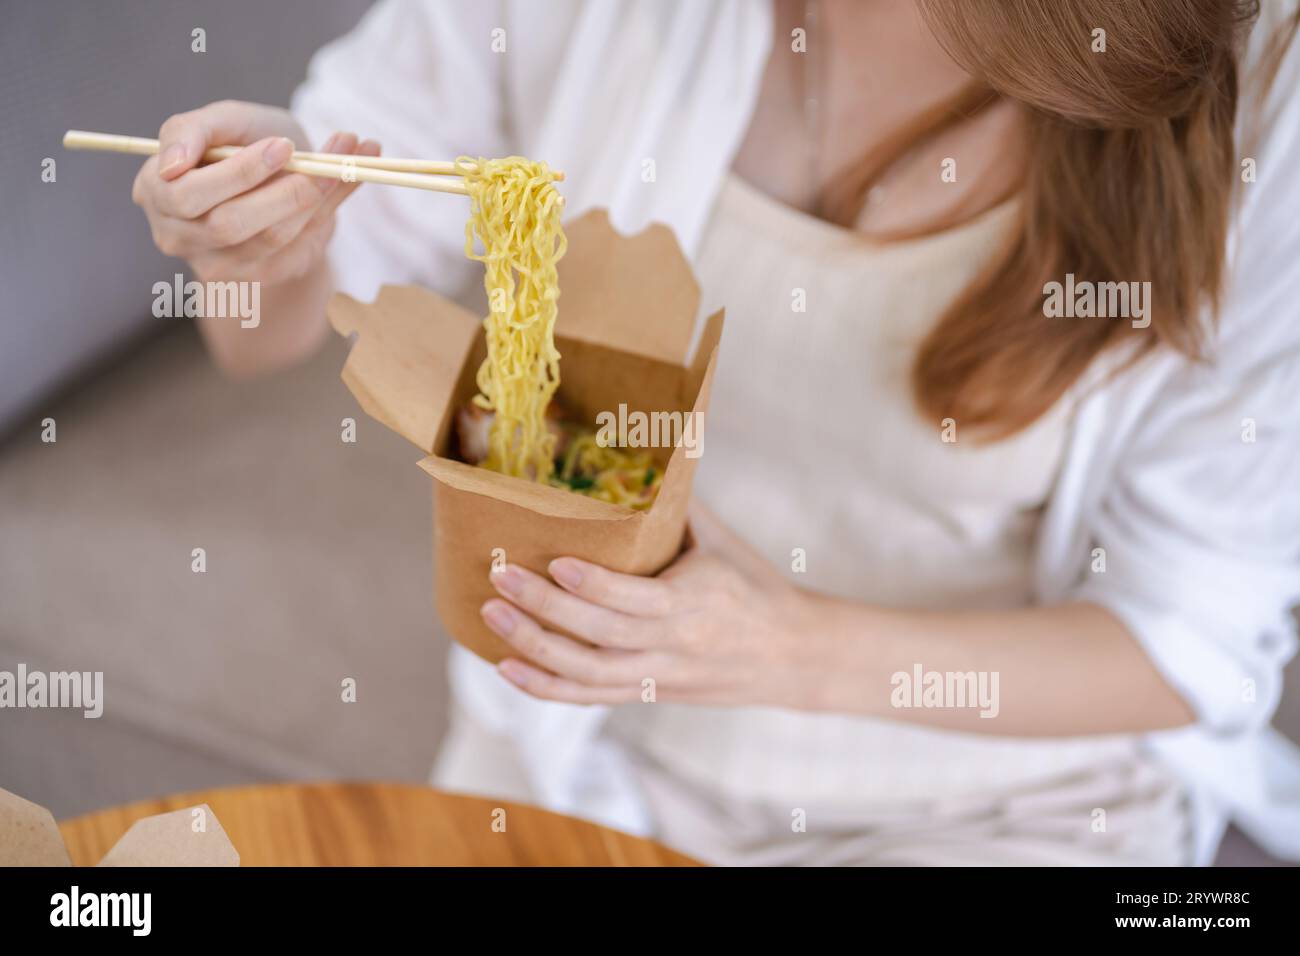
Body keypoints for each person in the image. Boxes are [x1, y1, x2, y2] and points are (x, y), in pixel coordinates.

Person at [130, 0, 1300, 865]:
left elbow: (1183, 644)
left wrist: (780, 648)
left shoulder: (1267, 84)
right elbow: (261, 334)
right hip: (572, 753)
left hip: (992, 802)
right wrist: (254, 246)